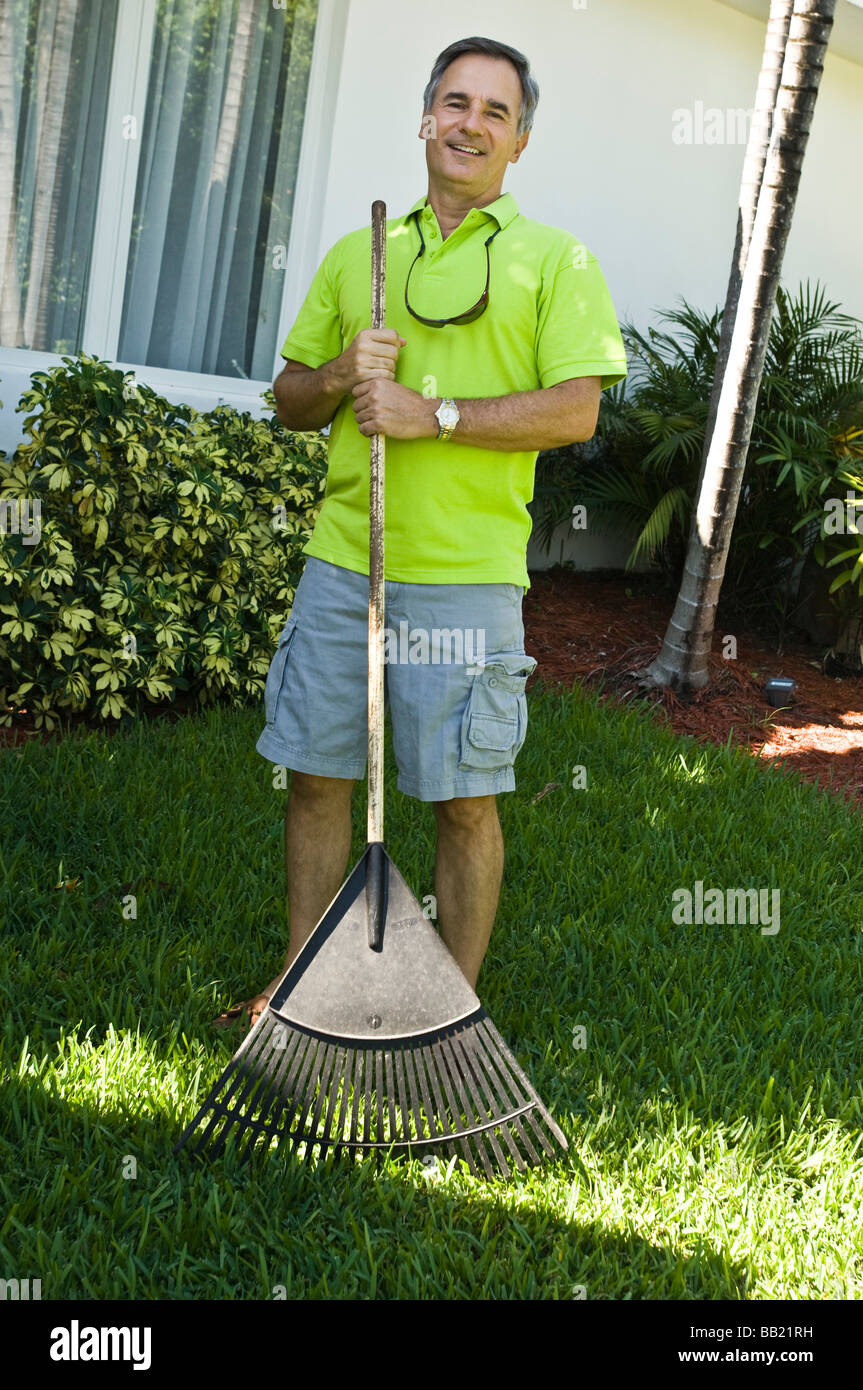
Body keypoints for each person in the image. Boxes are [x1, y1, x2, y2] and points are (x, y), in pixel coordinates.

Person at [213, 35, 627, 1031]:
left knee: (461, 798)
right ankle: (304, 985)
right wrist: (340, 375)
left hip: (468, 576)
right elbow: (289, 400)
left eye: (493, 111)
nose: (469, 123)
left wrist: (428, 416)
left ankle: (445, 1011)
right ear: (424, 118)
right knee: (315, 776)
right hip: (341, 562)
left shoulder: (555, 261)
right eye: (454, 102)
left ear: (519, 140)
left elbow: (575, 411)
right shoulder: (361, 254)